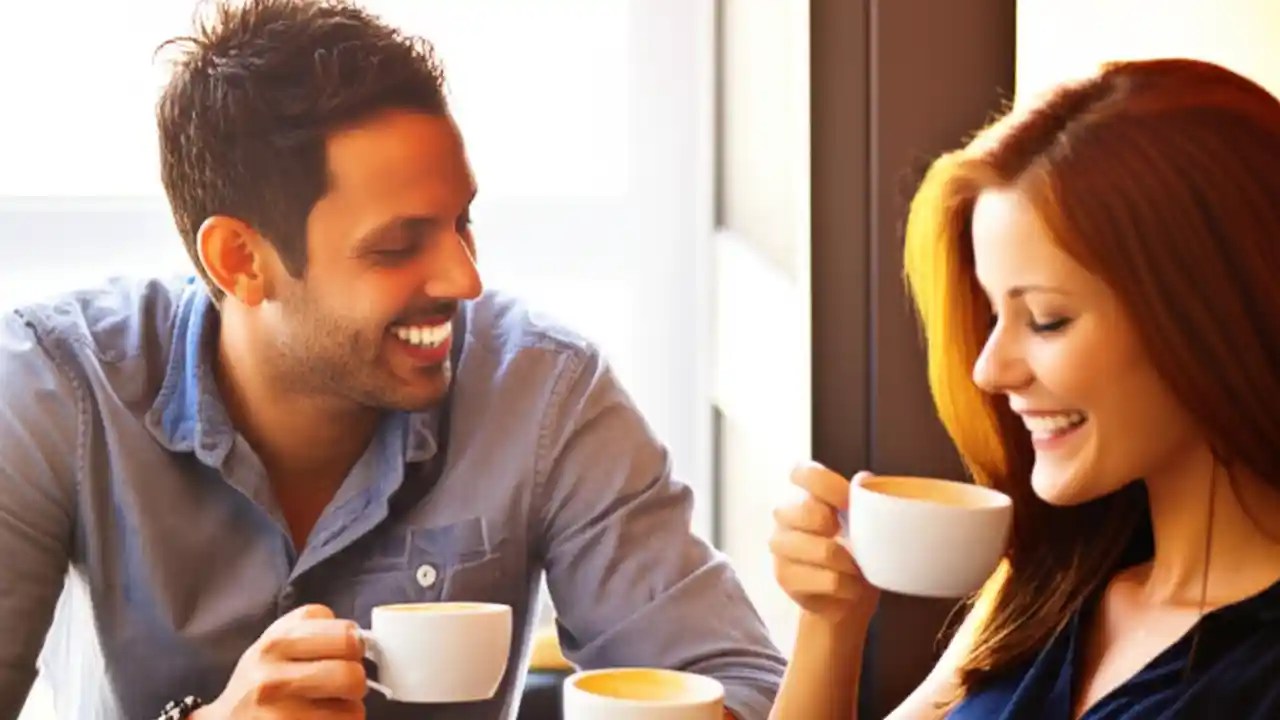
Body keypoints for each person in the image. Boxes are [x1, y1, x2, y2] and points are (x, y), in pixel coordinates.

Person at [0, 1, 785, 718]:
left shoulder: (545, 393)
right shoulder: (55, 391)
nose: (465, 279)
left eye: (461, 223)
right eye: (397, 246)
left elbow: (745, 686)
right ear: (241, 260)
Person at [768, 58, 1280, 719]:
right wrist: (831, 623)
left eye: (1045, 319)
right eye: (991, 315)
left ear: (1208, 311)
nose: (988, 369)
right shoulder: (1050, 586)